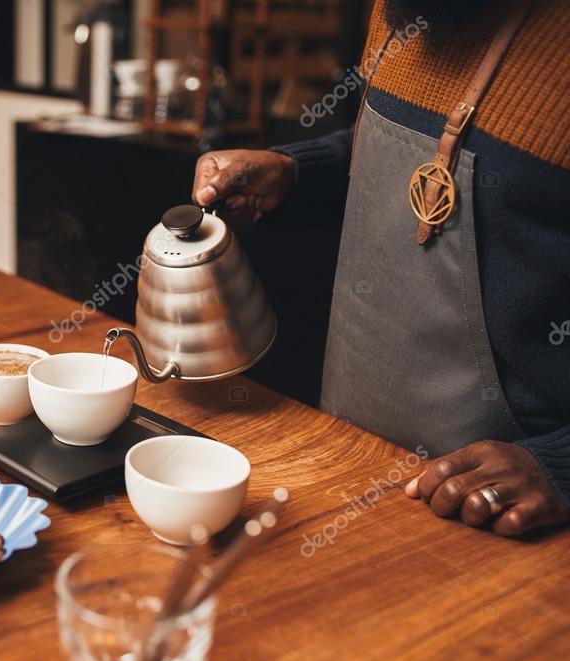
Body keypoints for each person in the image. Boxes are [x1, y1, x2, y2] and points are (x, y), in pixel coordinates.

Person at [193, 0, 569, 536]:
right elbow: (427, 158)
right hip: (345, 458)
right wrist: (297, 172)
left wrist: (559, 464)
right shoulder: (403, 11)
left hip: (497, 518)